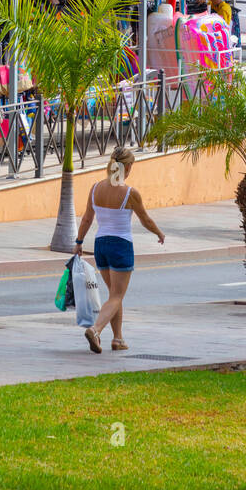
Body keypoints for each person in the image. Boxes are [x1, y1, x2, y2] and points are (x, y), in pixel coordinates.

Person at [73, 144, 165, 353]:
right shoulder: (130, 193)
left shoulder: (96, 188)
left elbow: (87, 218)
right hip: (121, 245)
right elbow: (145, 219)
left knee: (114, 294)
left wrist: (79, 242)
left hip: (100, 245)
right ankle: (95, 330)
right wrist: (159, 233)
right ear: (128, 167)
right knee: (117, 296)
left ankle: (118, 339)